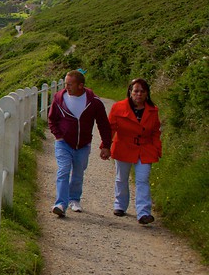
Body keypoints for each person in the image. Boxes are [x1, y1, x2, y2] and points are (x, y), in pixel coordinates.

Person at [47, 70, 112, 217]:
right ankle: (60, 204)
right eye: (65, 84)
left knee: (78, 172)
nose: (66, 87)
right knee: (63, 170)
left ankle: (74, 199)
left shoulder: (94, 102)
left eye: (70, 84)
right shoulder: (59, 98)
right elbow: (52, 119)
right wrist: (58, 136)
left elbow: (103, 124)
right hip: (63, 143)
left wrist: (106, 145)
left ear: (80, 85)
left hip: (83, 144)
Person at [109, 78, 162, 224]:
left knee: (142, 180)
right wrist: (105, 146)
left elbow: (156, 131)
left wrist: (157, 148)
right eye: (136, 91)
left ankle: (143, 213)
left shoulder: (153, 110)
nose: (139, 94)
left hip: (145, 149)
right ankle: (120, 205)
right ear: (130, 92)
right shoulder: (118, 107)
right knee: (121, 178)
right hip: (124, 147)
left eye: (142, 91)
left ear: (147, 94)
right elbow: (111, 128)